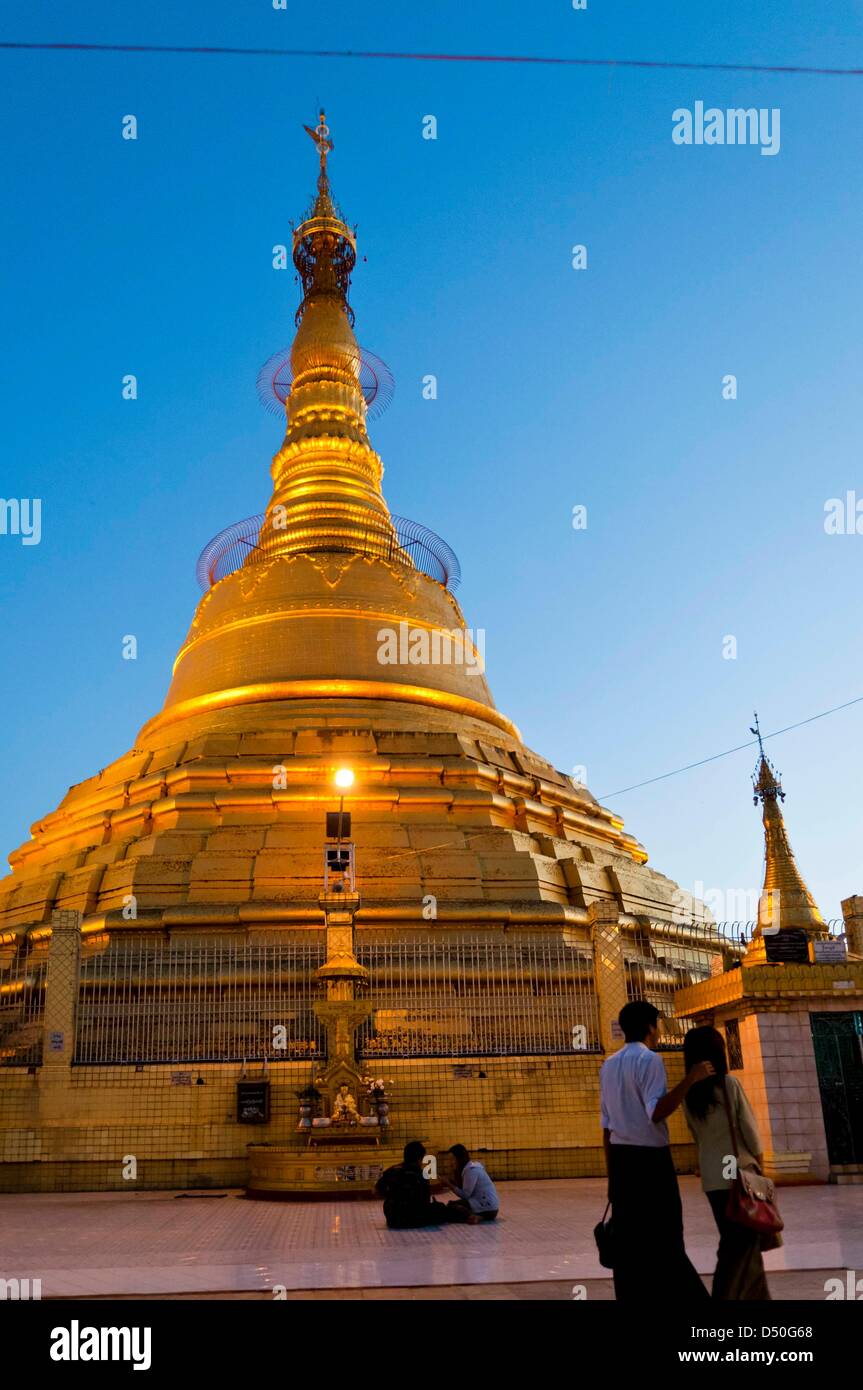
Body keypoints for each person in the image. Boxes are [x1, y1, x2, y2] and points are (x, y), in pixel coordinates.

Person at [599, 999, 713, 1302]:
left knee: (629, 1243)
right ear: (651, 1026)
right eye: (659, 1023)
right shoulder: (650, 1060)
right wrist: (691, 1078)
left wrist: (613, 1177)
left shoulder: (608, 1065)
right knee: (667, 1237)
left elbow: (607, 1127)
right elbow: (657, 1111)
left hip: (622, 1161)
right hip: (651, 1162)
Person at [683, 1026, 771, 1301]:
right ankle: (724, 1296)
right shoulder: (729, 1085)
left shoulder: (688, 1093)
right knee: (741, 1244)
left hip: (713, 1178)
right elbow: (749, 1131)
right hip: (740, 1175)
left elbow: (696, 1135)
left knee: (737, 1241)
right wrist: (761, 1168)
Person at [375, 1140, 449, 1229]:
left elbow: (376, 1190)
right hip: (414, 1219)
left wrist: (392, 1196)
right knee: (440, 1208)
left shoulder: (392, 1170)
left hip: (393, 1219)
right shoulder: (421, 1175)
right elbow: (425, 1201)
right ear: (419, 1159)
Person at [442, 1145, 500, 1223]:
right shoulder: (468, 1168)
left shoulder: (471, 1170)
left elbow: (465, 1195)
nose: (450, 1162)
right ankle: (479, 1217)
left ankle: (472, 1216)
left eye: (452, 1159)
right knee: (451, 1204)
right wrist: (454, 1173)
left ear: (459, 1159)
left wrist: (448, 1184)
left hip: (487, 1208)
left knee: (451, 1208)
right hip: (490, 1208)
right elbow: (462, 1187)